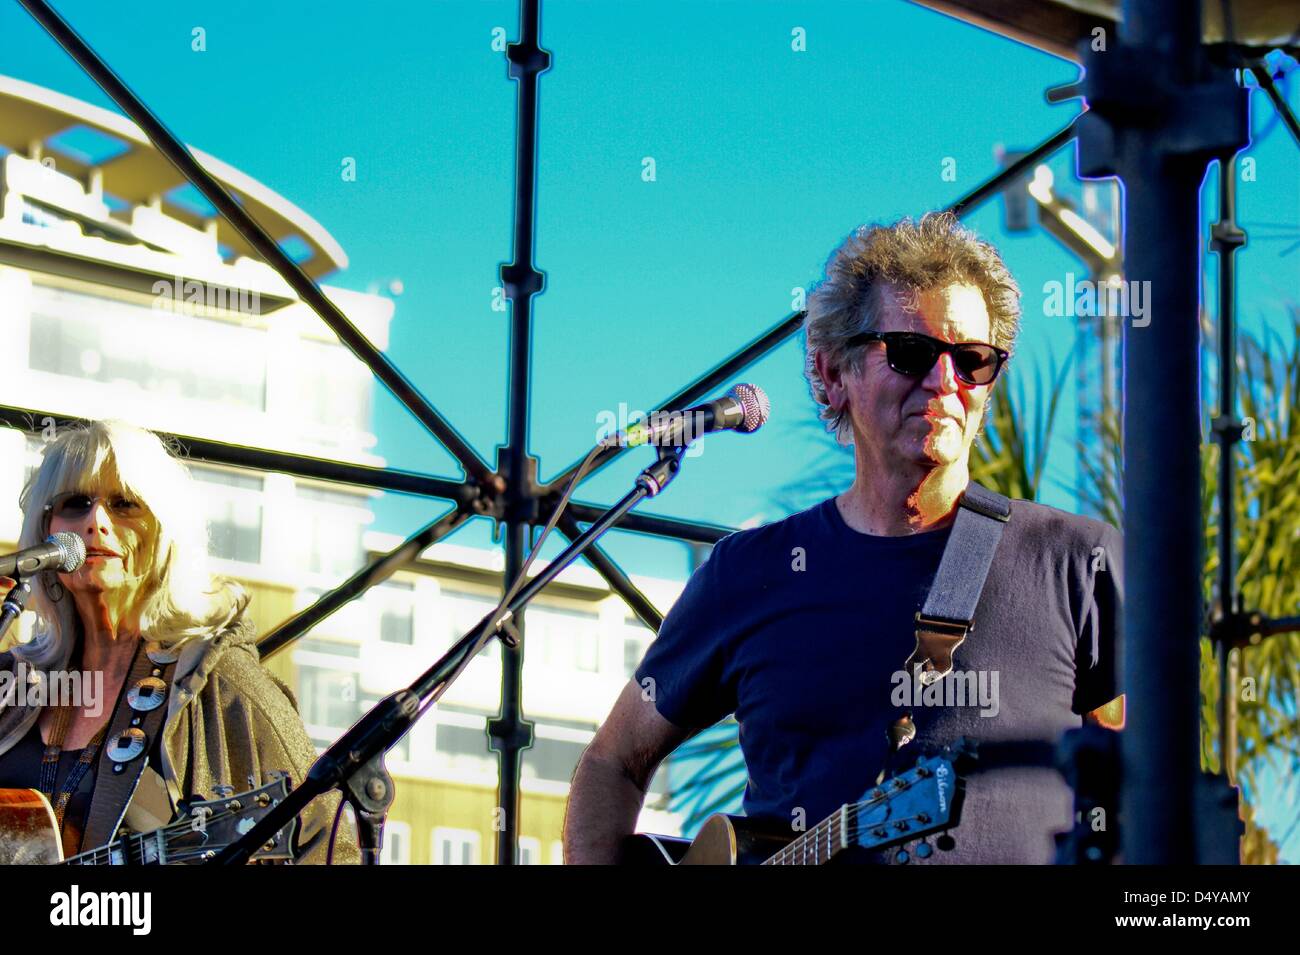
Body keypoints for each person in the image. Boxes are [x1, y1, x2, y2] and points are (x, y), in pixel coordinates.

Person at [563, 212, 1124, 865]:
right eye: (913, 354)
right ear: (832, 374)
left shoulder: (1080, 563)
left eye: (973, 360)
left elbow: (1153, 787)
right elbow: (613, 760)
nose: (945, 383)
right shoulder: (747, 573)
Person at [0, 419, 359, 864]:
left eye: (124, 504)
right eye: (75, 503)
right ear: (44, 531)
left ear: (168, 534)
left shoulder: (221, 682)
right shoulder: (13, 684)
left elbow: (328, 848)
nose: (96, 522)